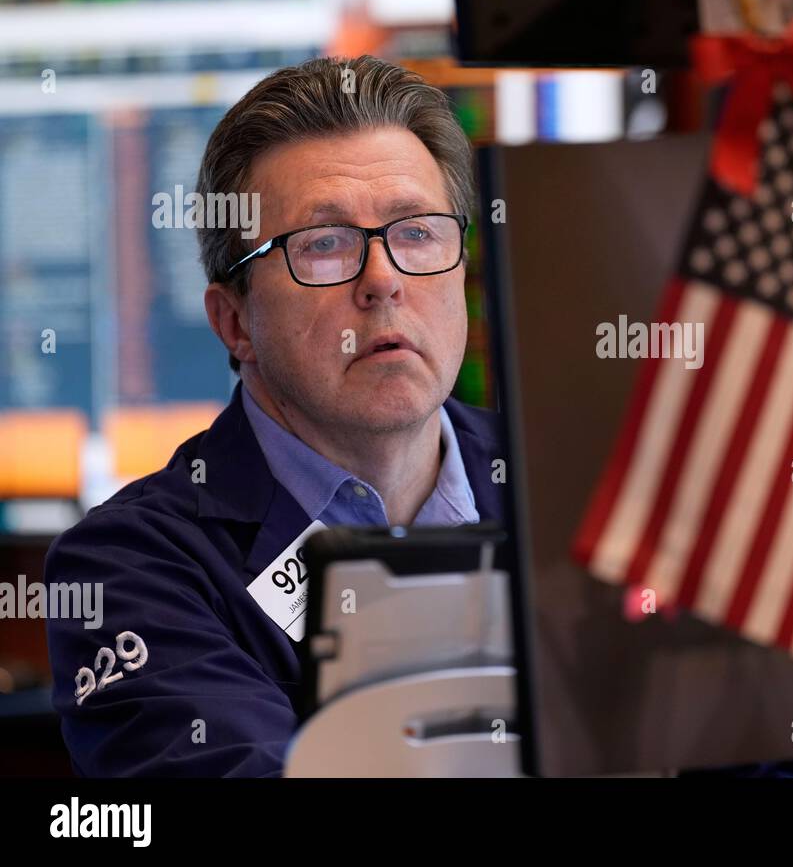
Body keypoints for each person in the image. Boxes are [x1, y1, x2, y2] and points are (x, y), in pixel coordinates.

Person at [44, 55, 504, 776]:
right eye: (323, 246)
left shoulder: (580, 481)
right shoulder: (129, 570)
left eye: (416, 232)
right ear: (235, 324)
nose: (382, 281)